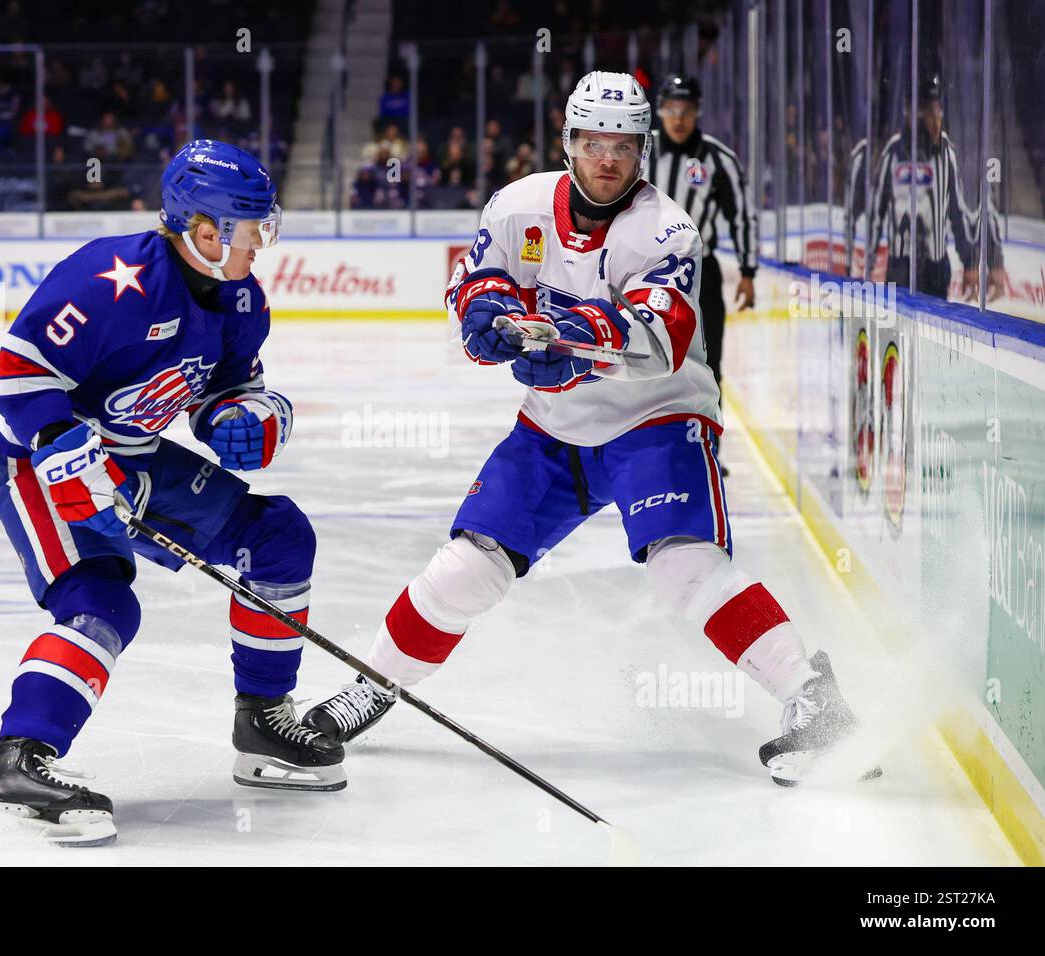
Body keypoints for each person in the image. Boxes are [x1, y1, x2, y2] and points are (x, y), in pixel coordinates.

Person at [302, 73, 878, 788]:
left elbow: (659, 337)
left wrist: (562, 340)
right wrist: (485, 319)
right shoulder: (518, 205)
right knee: (467, 566)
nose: (607, 157)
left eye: (623, 145)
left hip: (655, 418)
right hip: (553, 430)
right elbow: (478, 279)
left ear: (641, 151)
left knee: (683, 565)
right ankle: (374, 683)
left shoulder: (666, 228)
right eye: (592, 141)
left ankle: (815, 702)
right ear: (568, 142)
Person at [0, 140, 345, 847]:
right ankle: (20, 760)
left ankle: (261, 718)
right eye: (252, 227)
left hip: (133, 462)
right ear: (205, 230)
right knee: (101, 601)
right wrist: (61, 449)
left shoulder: (242, 298)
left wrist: (242, 418)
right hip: (44, 466)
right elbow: (15, 379)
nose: (263, 240)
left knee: (278, 537)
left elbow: (223, 387)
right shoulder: (110, 280)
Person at [646, 74, 758, 472]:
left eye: (686, 110)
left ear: (697, 112)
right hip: (644, 271)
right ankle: (647, 447)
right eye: (671, 109)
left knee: (708, 363)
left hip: (701, 274)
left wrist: (747, 271)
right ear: (660, 111)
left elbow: (741, 215)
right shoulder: (640, 154)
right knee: (644, 355)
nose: (678, 118)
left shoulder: (716, 158)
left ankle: (707, 448)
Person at [868, 72, 1006, 301]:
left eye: (938, 111)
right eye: (930, 112)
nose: (936, 119)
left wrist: (969, 263)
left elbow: (957, 211)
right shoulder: (893, 153)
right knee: (898, 333)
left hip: (936, 270)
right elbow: (876, 211)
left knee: (931, 333)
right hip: (900, 268)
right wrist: (868, 262)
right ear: (912, 113)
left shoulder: (946, 153)